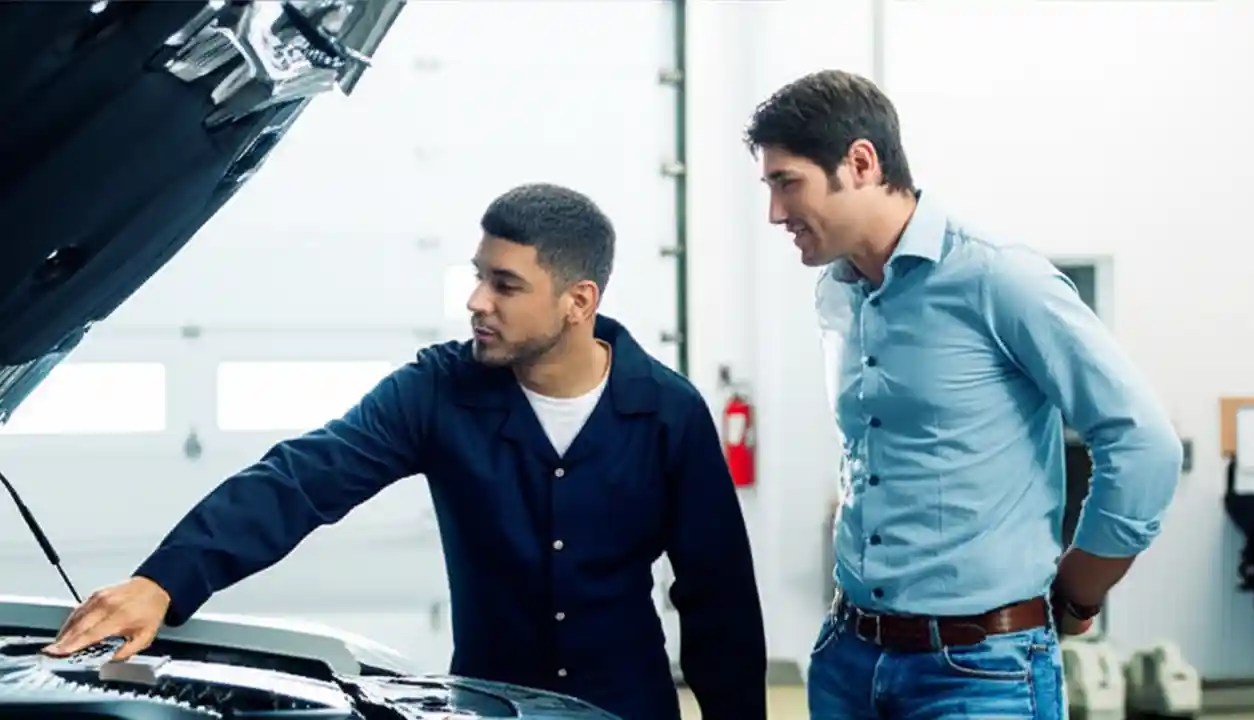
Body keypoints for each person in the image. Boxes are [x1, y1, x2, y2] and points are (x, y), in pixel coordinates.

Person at [43, 183, 768, 720]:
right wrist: (163, 582)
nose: (477, 300)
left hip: (625, 711)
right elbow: (301, 479)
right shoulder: (437, 392)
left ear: (578, 301)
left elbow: (719, 603)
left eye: (505, 284)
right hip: (488, 709)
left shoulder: (667, 413)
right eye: (479, 274)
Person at [743, 70, 1183, 719]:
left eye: (787, 183)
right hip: (848, 659)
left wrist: (1080, 590)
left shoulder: (1000, 280)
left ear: (860, 163)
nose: (775, 213)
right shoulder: (840, 289)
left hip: (981, 671)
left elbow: (1144, 442)